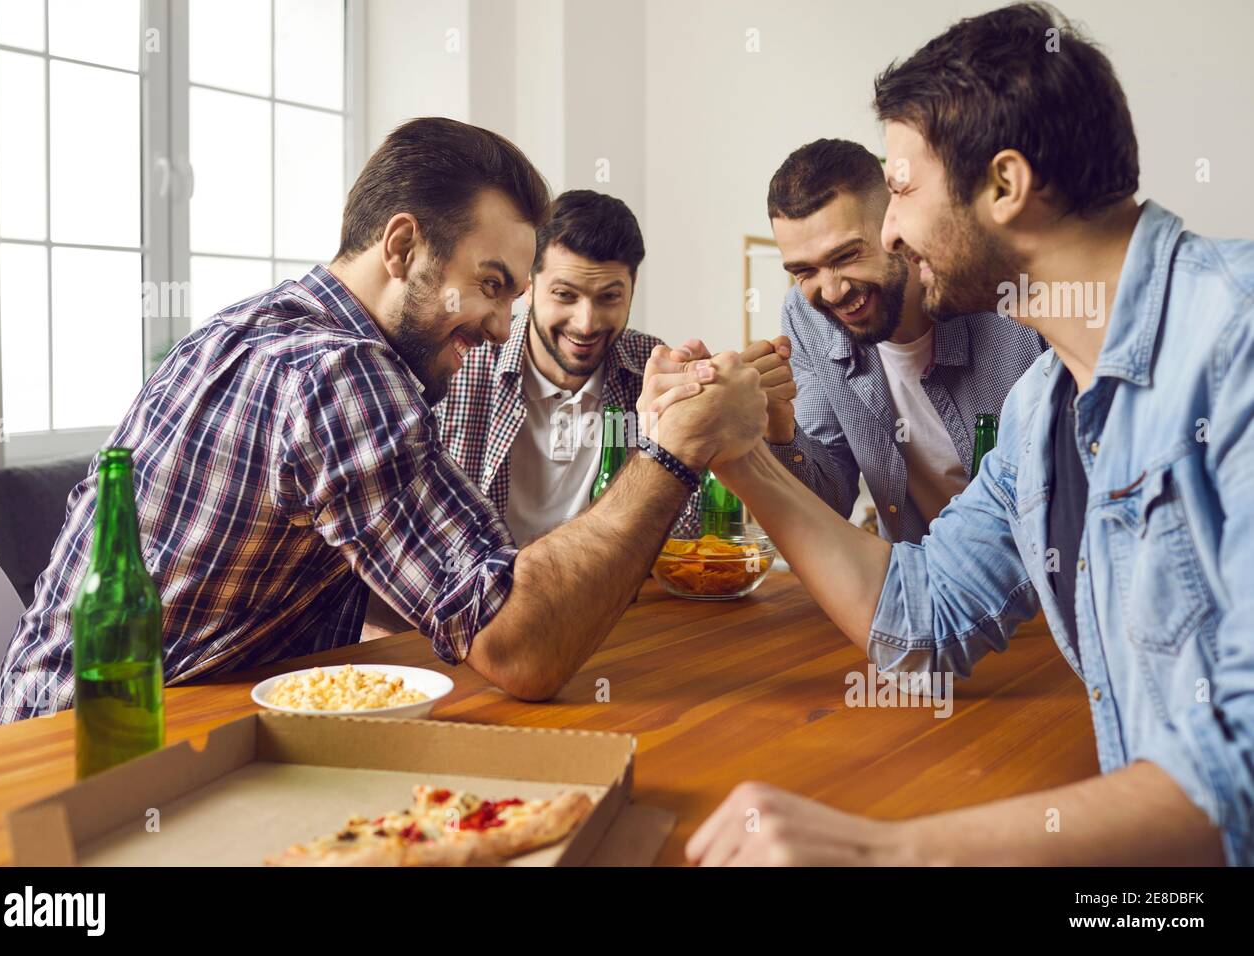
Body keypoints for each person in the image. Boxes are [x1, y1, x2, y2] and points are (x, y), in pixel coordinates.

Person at [675, 3, 1253, 865]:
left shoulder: (1234, 340)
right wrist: (740, 452)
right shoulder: (1043, 407)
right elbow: (926, 622)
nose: (894, 232)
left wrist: (895, 854)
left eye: (901, 190)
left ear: (1007, 185)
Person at [0, 117, 767, 726]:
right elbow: (521, 646)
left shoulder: (257, 322)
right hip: (94, 766)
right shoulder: (340, 373)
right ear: (403, 246)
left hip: (71, 729)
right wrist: (672, 449)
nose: (505, 325)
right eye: (491, 285)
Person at [765, 139, 1045, 539]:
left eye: (846, 256)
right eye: (804, 270)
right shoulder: (805, 316)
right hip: (918, 583)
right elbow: (829, 501)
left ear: (895, 225)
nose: (830, 291)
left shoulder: (1011, 298)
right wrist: (778, 424)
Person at [438, 189, 698, 545]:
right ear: (528, 286)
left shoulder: (651, 368)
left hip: (612, 591)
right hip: (494, 593)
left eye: (609, 296)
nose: (586, 323)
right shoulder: (461, 365)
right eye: (565, 295)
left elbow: (685, 539)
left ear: (632, 289)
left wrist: (690, 426)